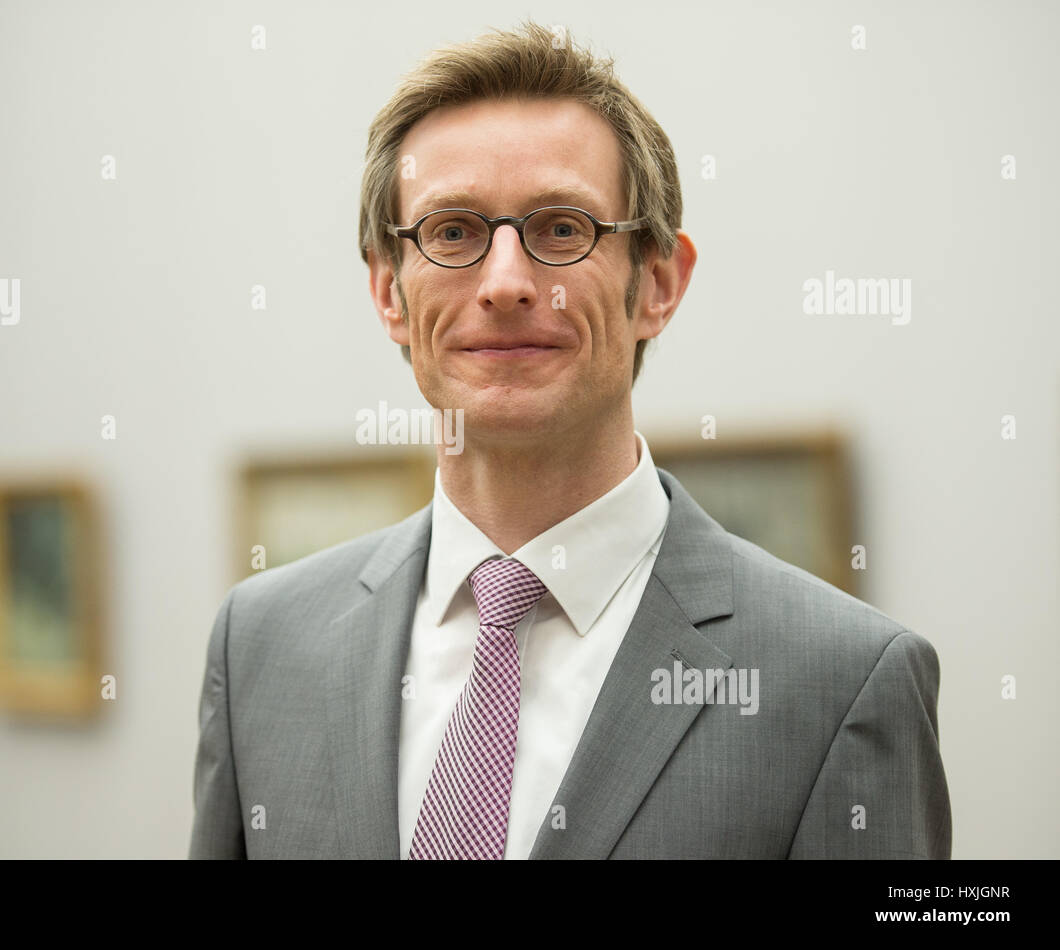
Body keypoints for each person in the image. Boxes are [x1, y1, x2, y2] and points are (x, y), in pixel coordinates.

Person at [188, 20, 951, 859]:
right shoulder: (259, 643)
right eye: (451, 232)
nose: (507, 283)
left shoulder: (842, 682)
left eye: (560, 229)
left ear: (658, 283)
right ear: (388, 293)